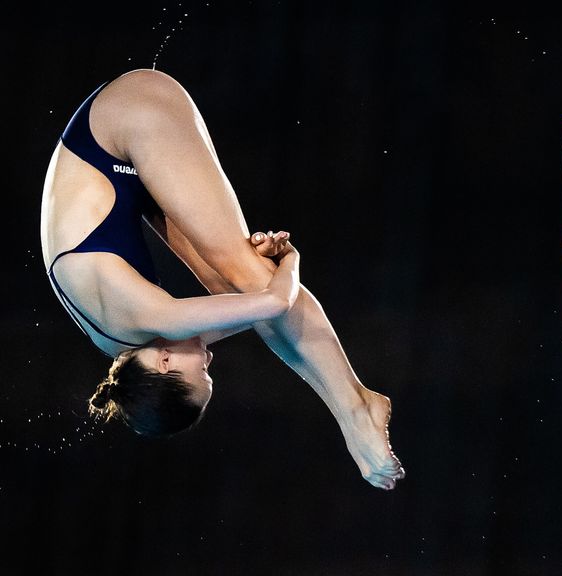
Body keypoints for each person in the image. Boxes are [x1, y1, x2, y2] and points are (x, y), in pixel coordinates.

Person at [40, 69, 404, 490]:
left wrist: (289, 257)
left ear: (164, 363)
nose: (211, 360)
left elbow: (274, 303)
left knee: (248, 275)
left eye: (205, 373)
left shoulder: (153, 317)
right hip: (113, 163)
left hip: (126, 117)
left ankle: (357, 409)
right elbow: (245, 312)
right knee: (234, 286)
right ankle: (348, 408)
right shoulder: (125, 341)